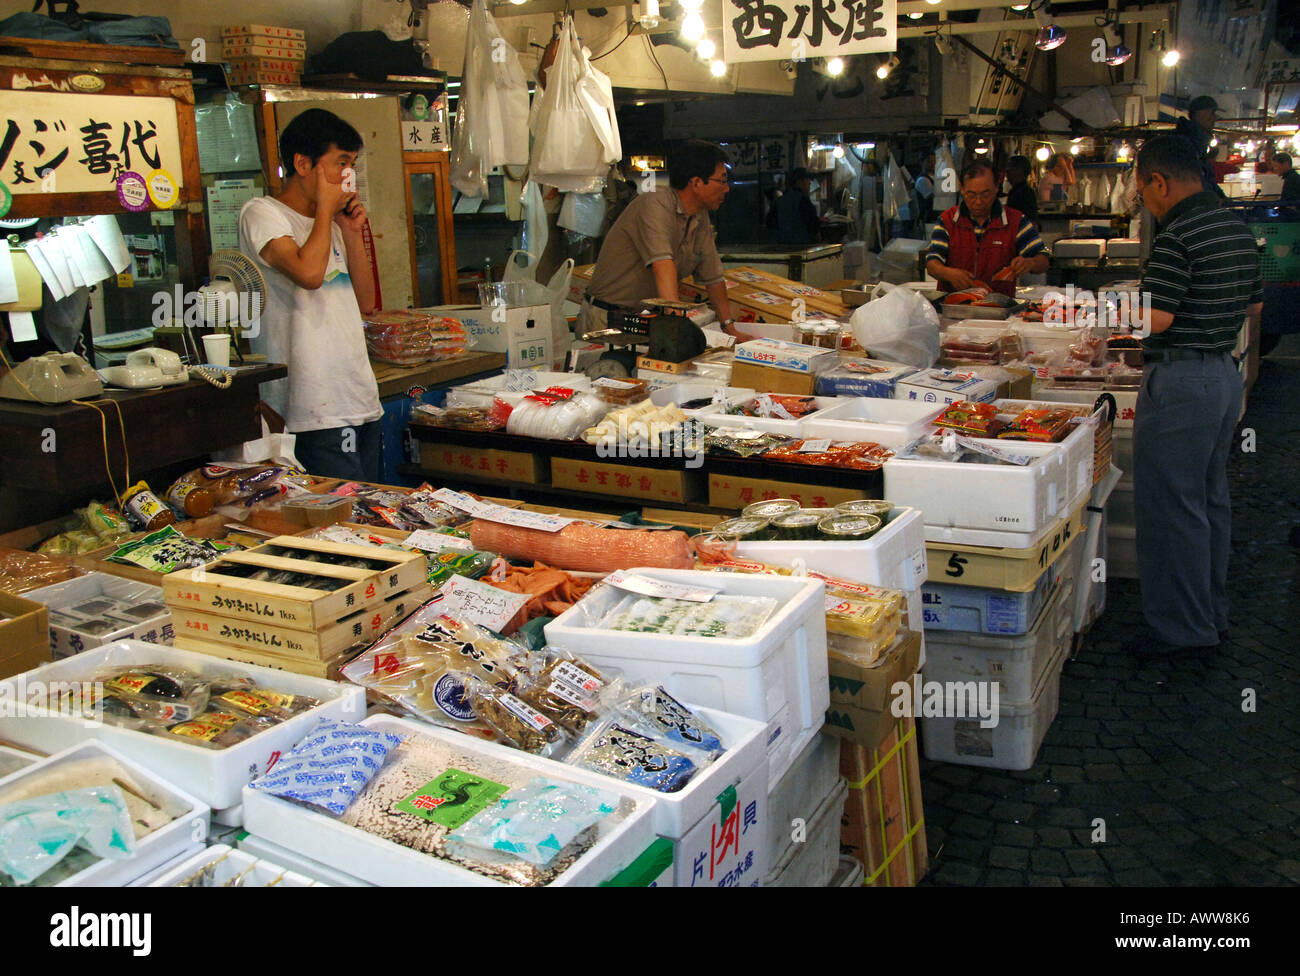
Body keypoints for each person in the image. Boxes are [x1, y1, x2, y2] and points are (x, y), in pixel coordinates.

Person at [1125, 135, 1262, 659]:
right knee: (1208, 503)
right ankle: (1211, 614)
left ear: (1160, 182)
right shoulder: (1234, 227)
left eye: (1143, 191)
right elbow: (1252, 307)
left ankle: (1182, 631)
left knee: (1171, 509)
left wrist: (1101, 315)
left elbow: (1157, 318)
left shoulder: (1180, 232)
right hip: (1222, 378)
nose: (1146, 202)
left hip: (1182, 382)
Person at [238, 109, 382, 481]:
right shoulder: (262, 214)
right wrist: (325, 216)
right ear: (303, 163)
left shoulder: (331, 224)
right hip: (310, 409)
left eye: (352, 165)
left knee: (372, 518)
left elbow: (366, 303)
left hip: (358, 398)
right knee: (336, 525)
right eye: (340, 163)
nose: (347, 177)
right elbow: (308, 274)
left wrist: (349, 232)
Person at [579, 139, 751, 341]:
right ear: (696, 182)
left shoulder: (699, 215)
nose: (727, 188)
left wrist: (730, 329)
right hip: (607, 320)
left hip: (644, 318)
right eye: (721, 181)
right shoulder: (654, 203)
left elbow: (713, 278)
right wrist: (676, 325)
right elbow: (662, 264)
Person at [925, 160, 1050, 298]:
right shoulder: (947, 220)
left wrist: (1030, 263)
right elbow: (932, 263)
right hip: (952, 309)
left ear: (997, 187)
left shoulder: (1016, 221)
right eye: (971, 195)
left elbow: (1043, 260)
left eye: (985, 194)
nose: (978, 202)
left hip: (1000, 310)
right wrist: (949, 274)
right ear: (961, 188)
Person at [1174, 94, 1227, 199]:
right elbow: (1198, 177)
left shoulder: (1198, 141)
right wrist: (1214, 198)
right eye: (1212, 113)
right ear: (1201, 113)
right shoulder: (1189, 143)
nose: (1214, 119)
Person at [774, 167, 821, 245]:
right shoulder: (803, 201)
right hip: (803, 249)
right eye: (808, 181)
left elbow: (771, 225)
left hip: (783, 249)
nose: (809, 184)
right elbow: (814, 230)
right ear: (799, 182)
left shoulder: (779, 201)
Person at [1003, 154, 1038, 224]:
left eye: (1010, 167)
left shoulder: (1025, 192)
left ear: (1019, 170)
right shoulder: (1016, 191)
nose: (1007, 170)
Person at [914, 154, 936, 227]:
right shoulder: (922, 180)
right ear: (922, 163)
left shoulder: (937, 177)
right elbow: (932, 198)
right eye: (929, 161)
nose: (933, 164)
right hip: (929, 220)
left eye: (934, 161)